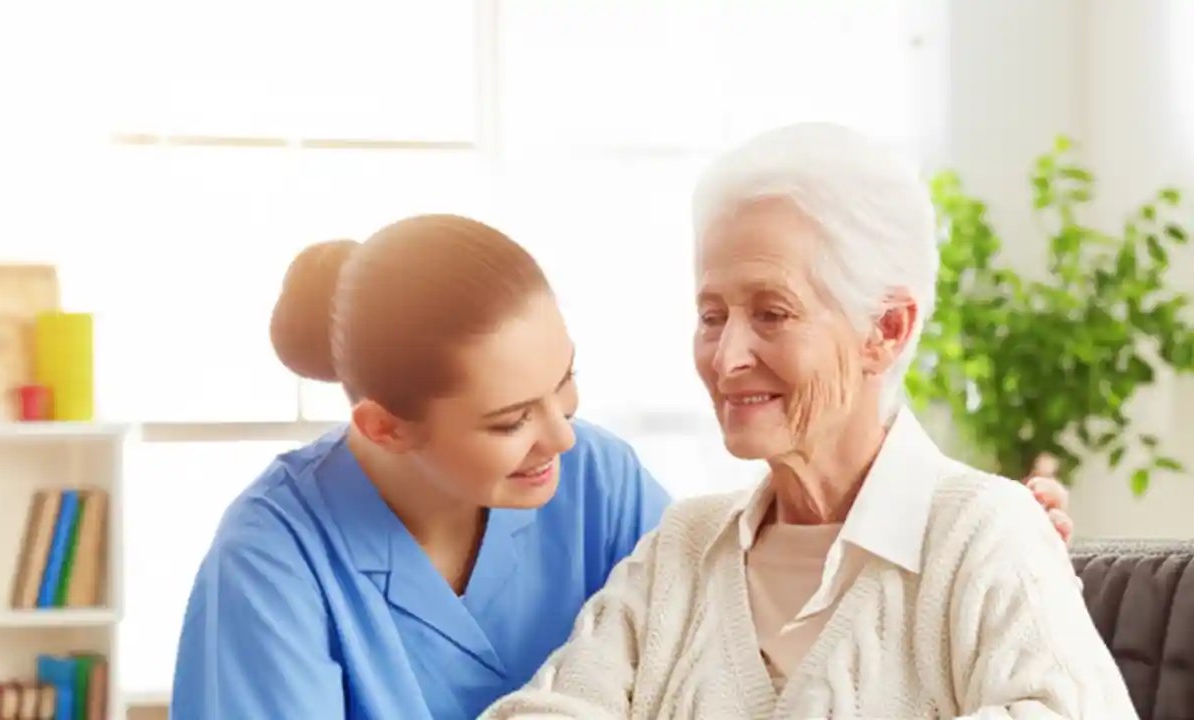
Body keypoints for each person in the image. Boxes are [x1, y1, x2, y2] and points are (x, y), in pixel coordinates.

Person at [169, 215, 1074, 719]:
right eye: (509, 420)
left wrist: (961, 532)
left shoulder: (591, 476)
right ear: (386, 427)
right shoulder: (273, 561)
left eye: (565, 387)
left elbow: (730, 608)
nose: (560, 437)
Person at [481, 123, 1133, 719]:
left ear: (887, 329)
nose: (728, 357)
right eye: (712, 316)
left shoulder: (984, 531)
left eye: (772, 313)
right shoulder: (685, 543)